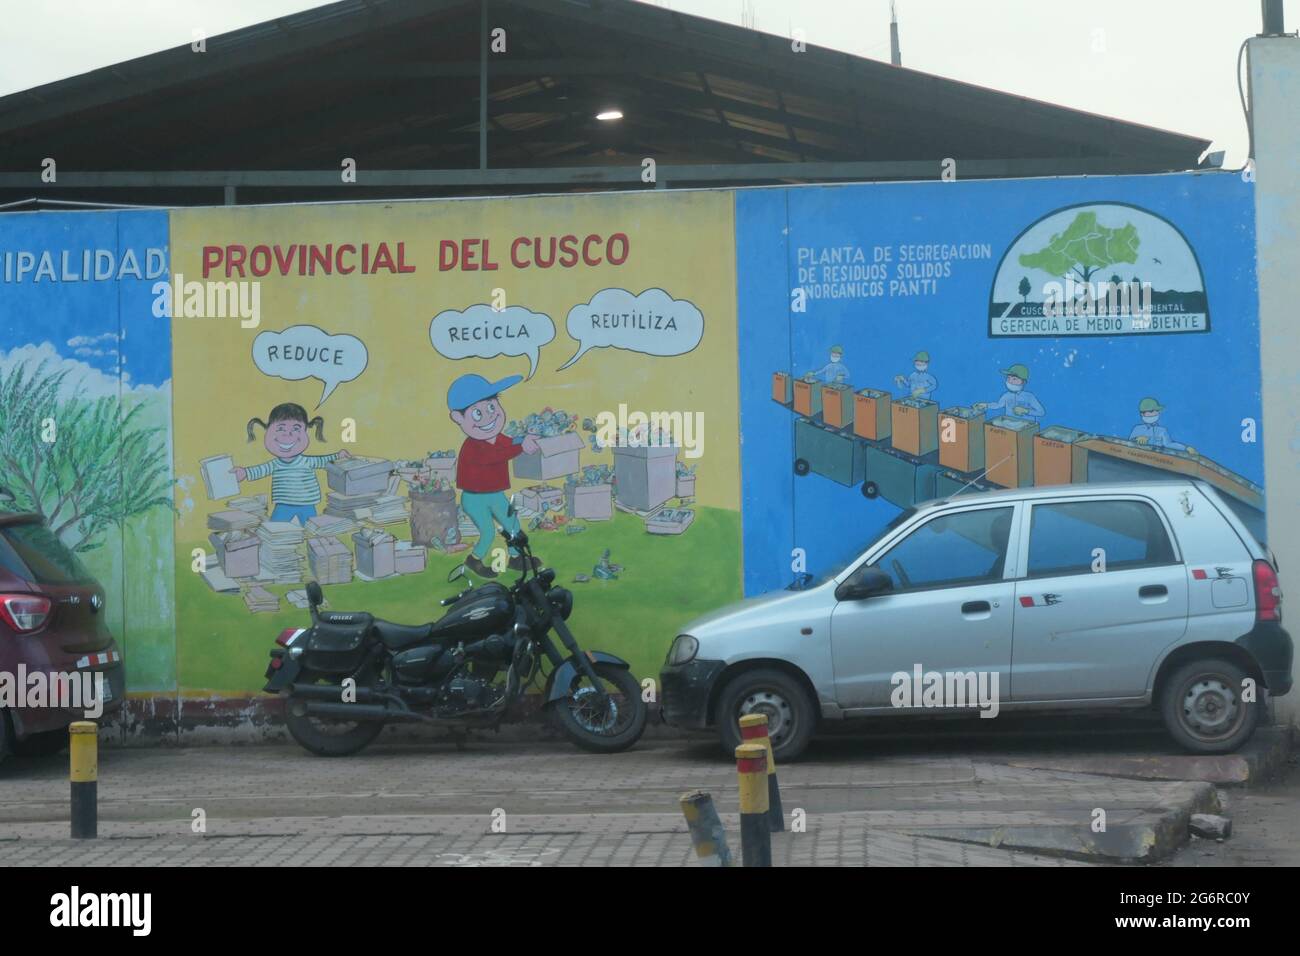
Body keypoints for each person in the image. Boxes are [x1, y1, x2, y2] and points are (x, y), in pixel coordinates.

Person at [448, 372, 541, 579]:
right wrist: (521, 447)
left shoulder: (497, 438)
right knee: (488, 532)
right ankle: (474, 560)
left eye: (492, 407)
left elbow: (509, 443)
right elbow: (495, 456)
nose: (490, 415)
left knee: (513, 524)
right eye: (477, 414)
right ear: (458, 417)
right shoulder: (473, 446)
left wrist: (524, 439)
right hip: (474, 498)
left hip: (494, 494)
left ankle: (516, 557)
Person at [232, 402, 352, 524]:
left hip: (307, 505)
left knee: (312, 532)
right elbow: (260, 470)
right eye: (280, 428)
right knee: (276, 531)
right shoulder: (275, 464)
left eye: (296, 429)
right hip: (283, 505)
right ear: (267, 430)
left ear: (306, 431)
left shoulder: (307, 461)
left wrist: (338, 455)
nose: (288, 435)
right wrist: (244, 473)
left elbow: (324, 461)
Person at [974, 363, 1044, 422]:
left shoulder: (1029, 396)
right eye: (1008, 378)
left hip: (1026, 427)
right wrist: (986, 405)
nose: (1010, 381)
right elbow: (998, 405)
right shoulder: (1006, 395)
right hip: (1010, 425)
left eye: (1014, 379)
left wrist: (1026, 411)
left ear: (1023, 382)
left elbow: (1041, 412)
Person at [1129, 397, 1196, 454]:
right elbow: (1128, 444)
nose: (1156, 413)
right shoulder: (1137, 428)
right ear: (1142, 414)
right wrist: (1136, 439)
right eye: (1152, 411)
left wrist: (1185, 448)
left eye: (1157, 410)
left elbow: (1169, 444)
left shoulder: (1162, 430)